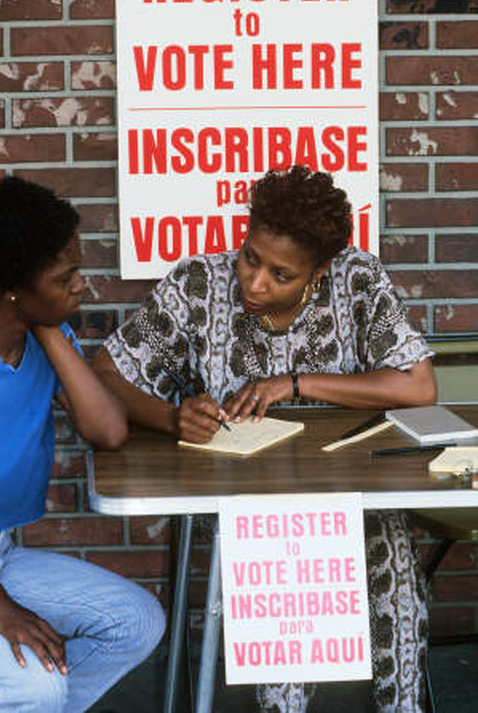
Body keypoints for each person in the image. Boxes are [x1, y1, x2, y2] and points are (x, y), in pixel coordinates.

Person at [93, 165, 437, 713]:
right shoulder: (199, 285)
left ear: (320, 270)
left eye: (282, 275)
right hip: (244, 503)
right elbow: (104, 373)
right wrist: (169, 416)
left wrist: (296, 383)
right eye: (251, 257)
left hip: (351, 495)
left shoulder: (356, 279)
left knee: (392, 549)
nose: (255, 283)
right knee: (284, 554)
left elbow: (417, 385)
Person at [0, 177, 165, 713]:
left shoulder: (44, 338)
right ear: (12, 286)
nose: (81, 286)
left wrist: (46, 329)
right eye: (65, 276)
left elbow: (106, 430)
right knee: (34, 686)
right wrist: (0, 609)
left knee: (137, 622)